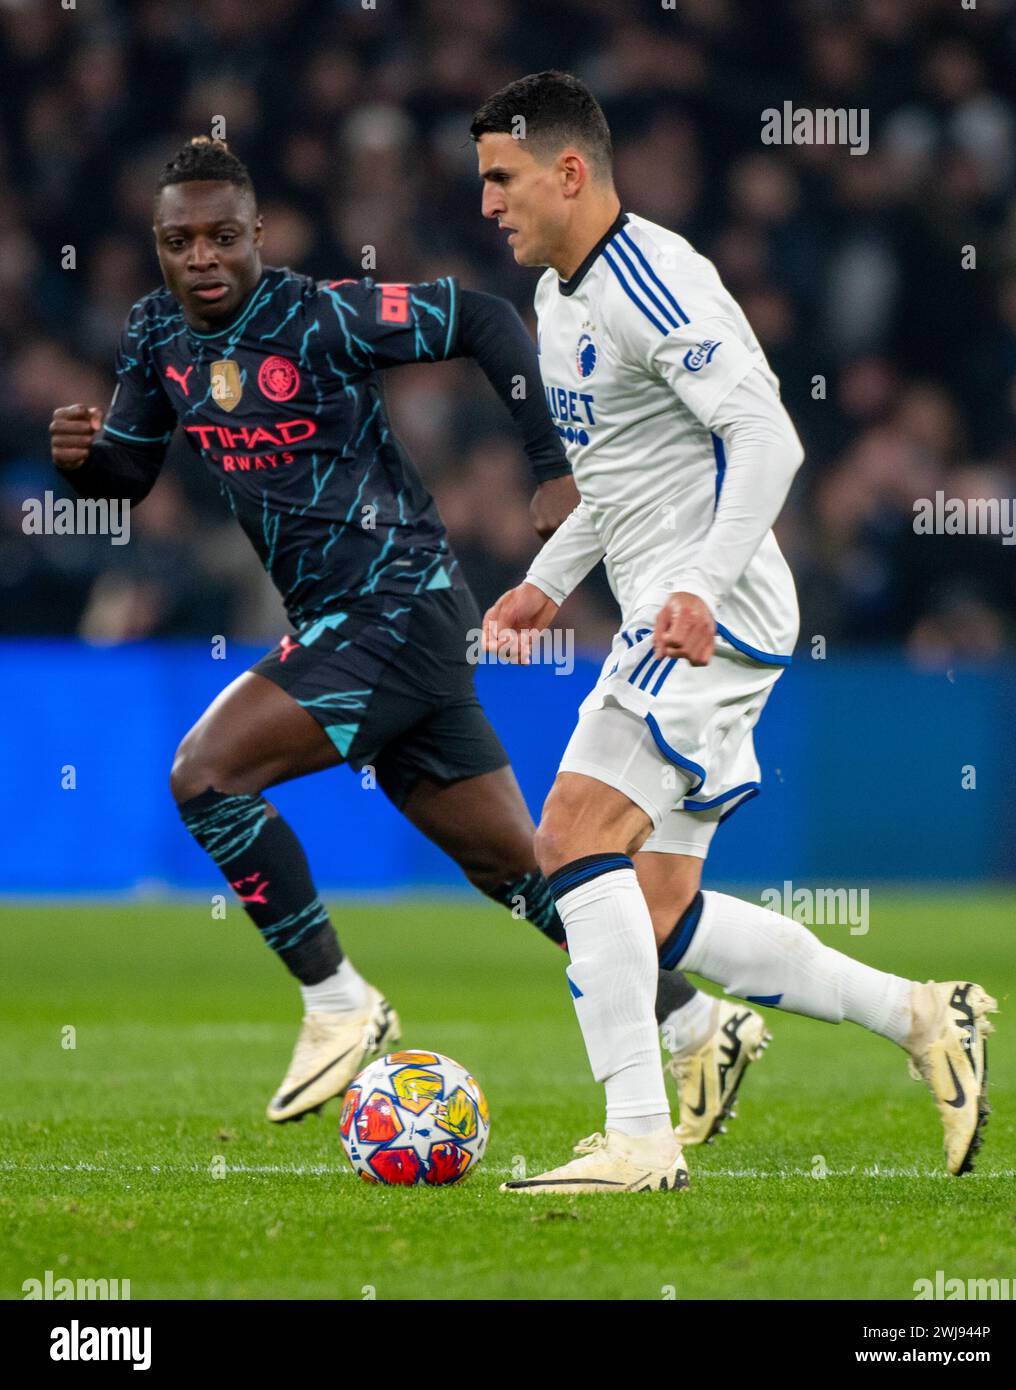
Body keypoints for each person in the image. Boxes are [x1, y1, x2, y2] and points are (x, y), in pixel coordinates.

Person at [49, 136, 738, 1132]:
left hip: (393, 607)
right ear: (157, 247)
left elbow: (484, 317)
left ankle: (336, 1001)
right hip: (367, 625)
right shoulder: (160, 332)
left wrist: (552, 463)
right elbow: (130, 468)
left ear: (258, 235)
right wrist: (87, 465)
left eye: (221, 237)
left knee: (205, 776)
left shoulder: (318, 314)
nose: (200, 256)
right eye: (177, 240)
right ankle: (690, 1023)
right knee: (524, 873)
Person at [473, 71, 995, 1194]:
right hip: (677, 605)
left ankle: (637, 1137)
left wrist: (700, 585)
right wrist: (545, 580)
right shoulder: (558, 299)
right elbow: (613, 482)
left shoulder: (652, 282)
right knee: (651, 911)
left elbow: (767, 440)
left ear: (569, 172)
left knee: (567, 841)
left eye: (501, 178)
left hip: (709, 610)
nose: (487, 204)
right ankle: (919, 1014)